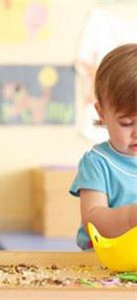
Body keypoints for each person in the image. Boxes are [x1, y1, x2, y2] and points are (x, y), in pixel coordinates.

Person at [70, 44, 137, 250]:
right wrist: (130, 218)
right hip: (104, 260)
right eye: (126, 123)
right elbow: (92, 221)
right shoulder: (97, 163)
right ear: (101, 113)